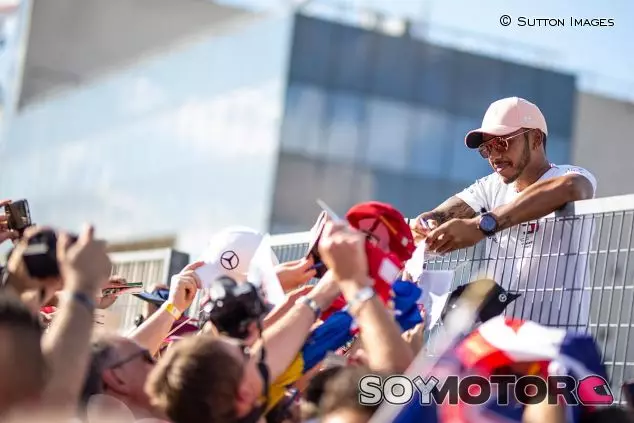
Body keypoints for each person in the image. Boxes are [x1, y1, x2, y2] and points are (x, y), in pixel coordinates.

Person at [409, 97, 597, 330]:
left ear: (536, 138)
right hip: (502, 342)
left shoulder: (569, 176)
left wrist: (483, 225)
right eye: (486, 148)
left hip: (556, 342)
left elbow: (573, 187)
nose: (494, 156)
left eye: (502, 143)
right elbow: (443, 213)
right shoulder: (491, 186)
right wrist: (428, 223)